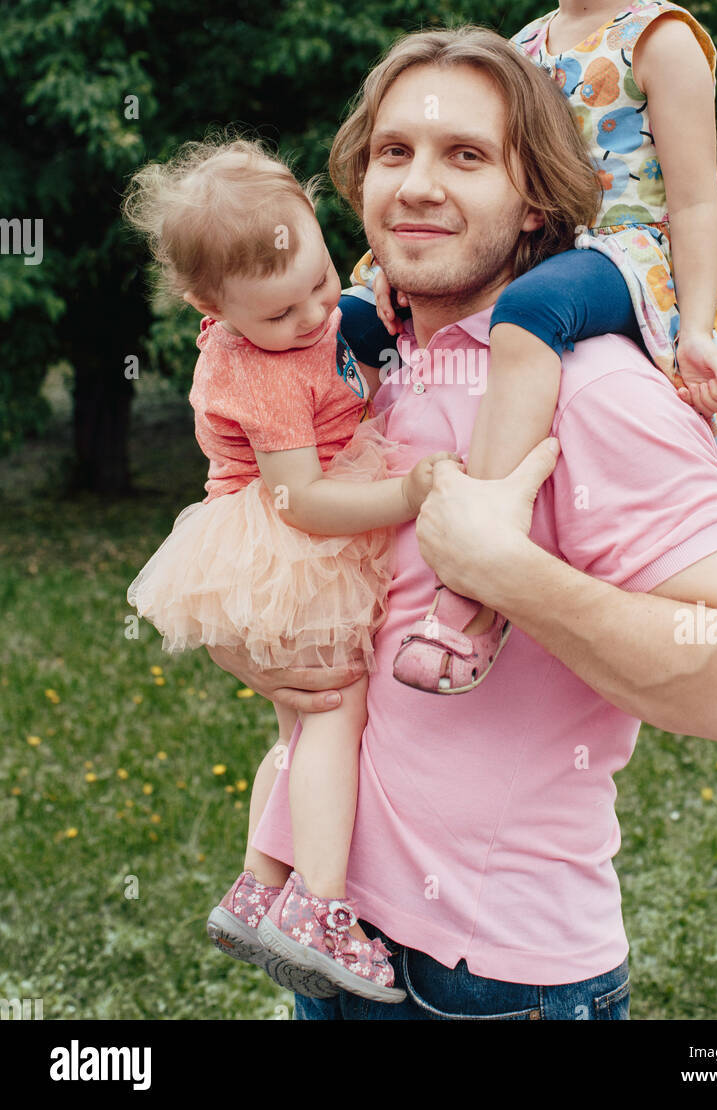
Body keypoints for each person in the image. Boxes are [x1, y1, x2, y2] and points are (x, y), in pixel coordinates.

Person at [206, 26, 717, 1021]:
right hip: (335, 938)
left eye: (463, 156)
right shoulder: (360, 369)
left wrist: (501, 568)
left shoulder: (593, 389)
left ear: (533, 203)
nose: (418, 184)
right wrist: (251, 642)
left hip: (490, 981)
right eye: (395, 152)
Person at [344, 0, 717, 692]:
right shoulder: (522, 48)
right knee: (358, 316)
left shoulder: (662, 39)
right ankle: (319, 532)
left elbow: (693, 201)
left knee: (525, 317)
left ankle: (471, 593)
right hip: (544, 247)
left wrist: (694, 327)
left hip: (624, 256)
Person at [123, 136, 461, 1003]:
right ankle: (321, 909)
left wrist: (356, 290)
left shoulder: (284, 306)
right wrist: (409, 495)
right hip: (288, 537)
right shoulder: (260, 368)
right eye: (284, 312)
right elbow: (300, 503)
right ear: (212, 305)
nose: (314, 317)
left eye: (319, 284)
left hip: (280, 538)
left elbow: (334, 304)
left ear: (314, 220)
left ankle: (258, 883)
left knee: (298, 732)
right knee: (334, 718)